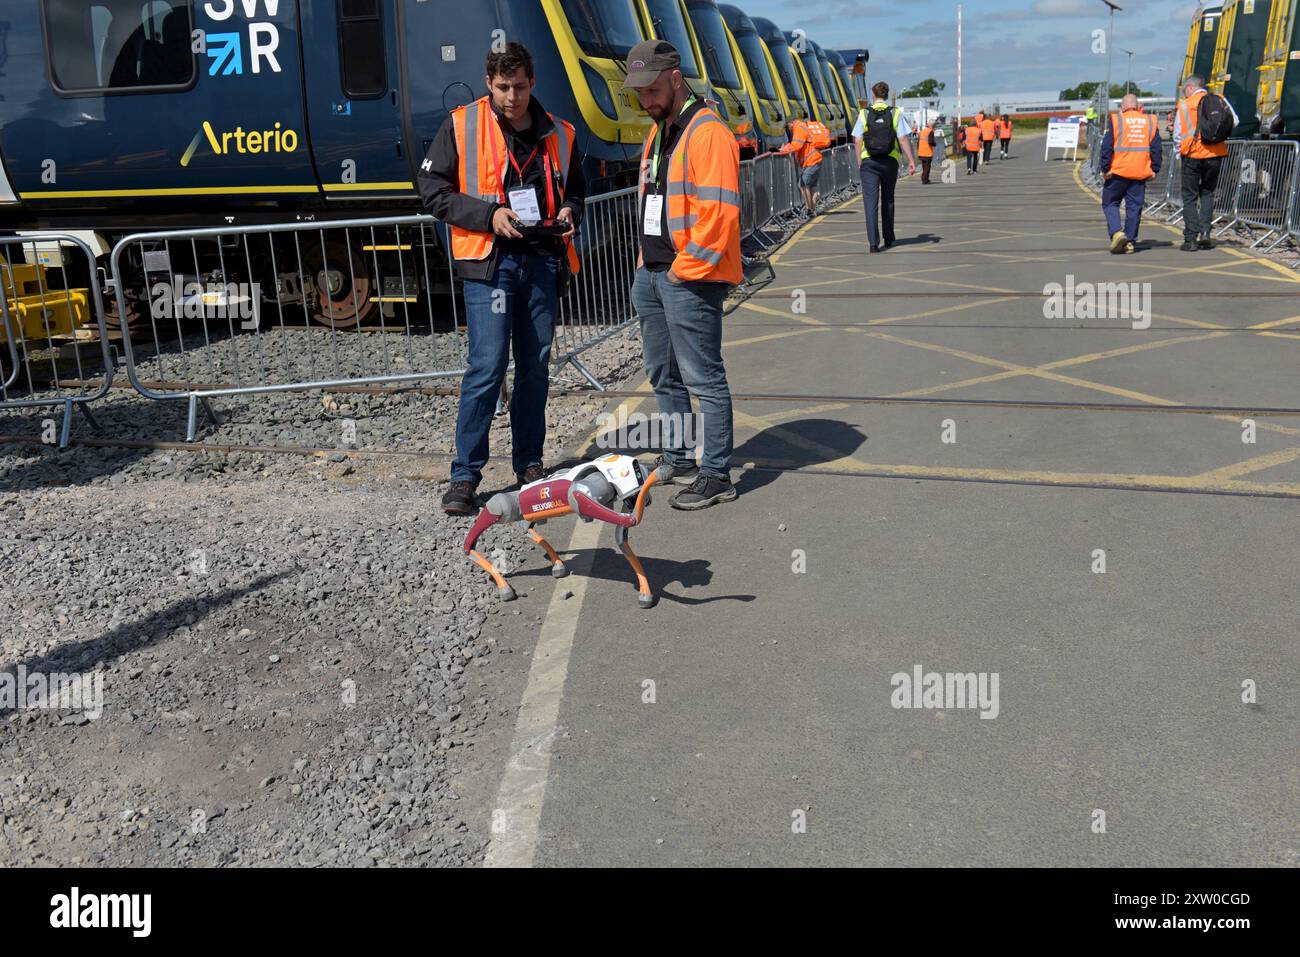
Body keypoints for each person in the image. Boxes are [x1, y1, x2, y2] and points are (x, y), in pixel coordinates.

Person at [419, 42, 585, 516]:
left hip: (541, 261)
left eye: (520, 86)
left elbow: (577, 188)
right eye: (503, 87)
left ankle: (530, 464)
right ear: (489, 84)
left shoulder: (562, 133)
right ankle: (465, 475)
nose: (512, 96)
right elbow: (432, 189)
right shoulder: (461, 124)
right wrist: (488, 215)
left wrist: (572, 209)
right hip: (490, 263)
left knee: (534, 366)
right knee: (487, 367)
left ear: (534, 83)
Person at [623, 40, 741, 510]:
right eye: (639, 94)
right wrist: (645, 266)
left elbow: (720, 215)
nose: (645, 101)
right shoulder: (661, 131)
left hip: (689, 276)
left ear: (675, 79)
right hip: (653, 272)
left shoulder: (707, 131)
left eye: (651, 90)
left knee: (703, 377)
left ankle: (716, 473)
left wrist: (679, 272)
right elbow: (656, 201)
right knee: (663, 375)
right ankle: (680, 457)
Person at [1174, 74, 1237, 251]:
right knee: (1208, 193)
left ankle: (1190, 239)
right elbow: (1234, 121)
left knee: (1190, 197)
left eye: (1185, 89)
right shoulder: (1219, 99)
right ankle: (1205, 233)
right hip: (1215, 154)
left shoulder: (1185, 104)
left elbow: (1178, 134)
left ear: (1190, 87)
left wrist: (1179, 154)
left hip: (1192, 155)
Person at [852, 81, 917, 252]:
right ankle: (889, 238)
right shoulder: (895, 113)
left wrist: (860, 161)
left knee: (870, 203)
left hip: (869, 162)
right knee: (888, 199)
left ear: (873, 96)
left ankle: (873, 243)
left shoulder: (864, 113)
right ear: (887, 96)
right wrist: (911, 160)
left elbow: (857, 140)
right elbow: (903, 139)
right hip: (889, 162)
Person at [1099, 94, 1161, 254]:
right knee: (1134, 208)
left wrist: (1105, 169)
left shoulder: (1116, 120)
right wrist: (1155, 169)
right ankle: (1130, 242)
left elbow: (1106, 146)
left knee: (1110, 203)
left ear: (1122, 107)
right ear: (1138, 106)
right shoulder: (1150, 121)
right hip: (1139, 172)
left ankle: (1117, 232)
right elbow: (1156, 147)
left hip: (1117, 171)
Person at [776, 117, 823, 217]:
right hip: (816, 159)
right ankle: (813, 204)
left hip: (812, 161)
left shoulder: (799, 128)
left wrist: (783, 149)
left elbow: (796, 145)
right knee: (812, 185)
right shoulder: (803, 126)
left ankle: (809, 208)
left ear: (791, 123)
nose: (789, 130)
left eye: (788, 127)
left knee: (802, 184)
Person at [917, 117, 936, 184]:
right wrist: (934, 144)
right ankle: (925, 179)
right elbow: (931, 142)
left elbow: (918, 142)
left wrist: (918, 151)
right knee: (927, 167)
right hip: (927, 152)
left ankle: (924, 178)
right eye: (934, 125)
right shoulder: (930, 132)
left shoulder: (922, 131)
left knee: (924, 167)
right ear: (932, 125)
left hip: (921, 152)